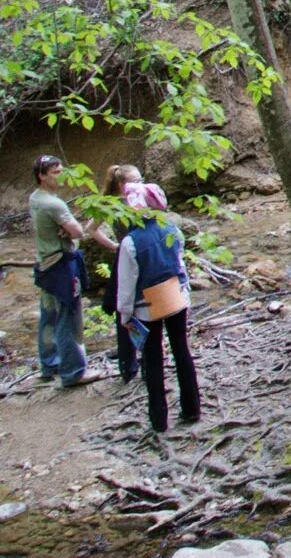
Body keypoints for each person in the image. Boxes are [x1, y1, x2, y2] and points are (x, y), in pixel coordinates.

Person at [29, 154, 116, 387]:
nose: (62, 176)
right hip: (60, 265)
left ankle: (50, 365)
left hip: (45, 264)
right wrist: (68, 230)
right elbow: (78, 231)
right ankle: (74, 372)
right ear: (42, 176)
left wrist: (63, 229)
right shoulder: (53, 203)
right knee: (70, 317)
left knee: (49, 315)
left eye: (62, 170)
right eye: (56, 172)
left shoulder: (35, 198)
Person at [117, 204, 200, 433]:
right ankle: (192, 408)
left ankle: (159, 420)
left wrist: (124, 314)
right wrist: (187, 296)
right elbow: (179, 264)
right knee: (181, 351)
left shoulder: (130, 242)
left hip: (146, 308)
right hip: (175, 298)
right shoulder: (170, 228)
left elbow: (126, 283)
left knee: (153, 361)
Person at [100, 165, 170, 382]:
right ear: (123, 185)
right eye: (136, 181)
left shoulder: (114, 204)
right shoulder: (127, 205)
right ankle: (139, 367)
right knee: (140, 313)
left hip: (129, 257)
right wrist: (118, 247)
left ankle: (134, 366)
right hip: (137, 261)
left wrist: (117, 247)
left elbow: (92, 229)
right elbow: (92, 228)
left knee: (133, 314)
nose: (141, 184)